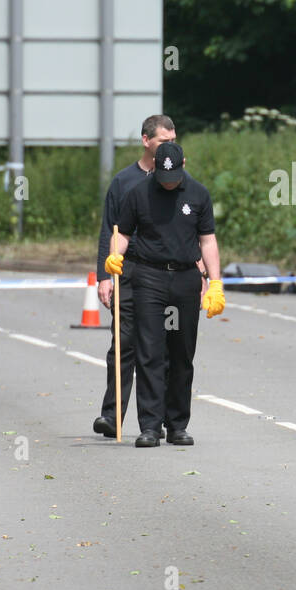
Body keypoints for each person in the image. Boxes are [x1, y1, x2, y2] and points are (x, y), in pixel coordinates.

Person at [104, 142, 223, 447]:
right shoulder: (138, 193)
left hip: (185, 279)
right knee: (150, 352)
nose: (169, 184)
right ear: (154, 167)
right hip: (149, 277)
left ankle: (178, 424)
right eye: (164, 177)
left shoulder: (198, 194)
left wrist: (215, 282)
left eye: (174, 178)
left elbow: (207, 240)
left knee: (181, 353)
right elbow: (123, 233)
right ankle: (150, 425)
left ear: (183, 163)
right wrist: (113, 258)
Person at [91, 114, 195, 438]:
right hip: (128, 267)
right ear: (146, 141)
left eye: (173, 140)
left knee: (162, 345)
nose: (170, 146)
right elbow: (109, 229)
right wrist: (104, 276)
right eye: (164, 141)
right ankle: (113, 415)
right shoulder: (124, 182)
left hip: (163, 273)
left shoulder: (180, 181)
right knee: (123, 344)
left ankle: (160, 418)